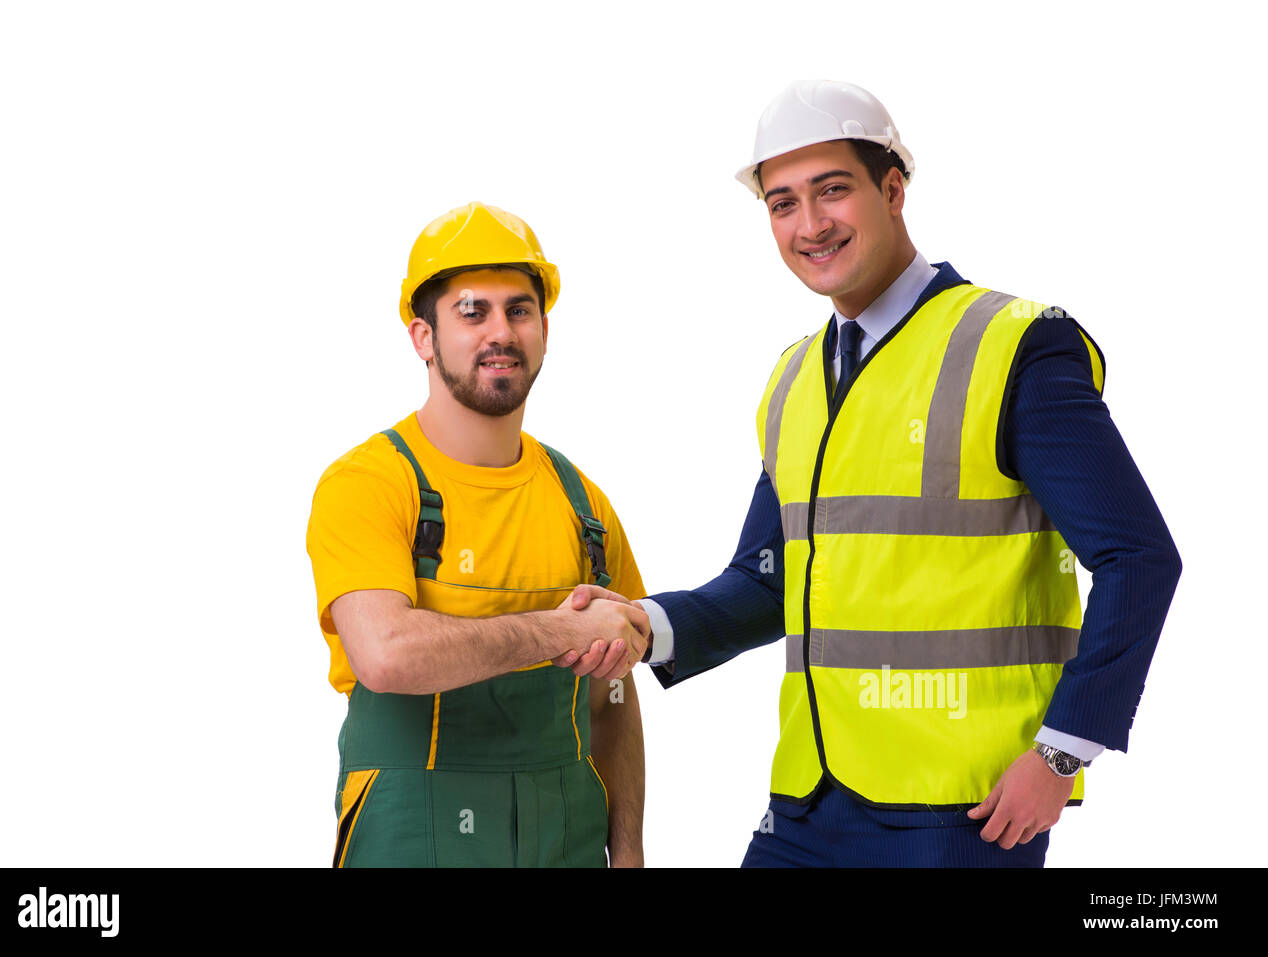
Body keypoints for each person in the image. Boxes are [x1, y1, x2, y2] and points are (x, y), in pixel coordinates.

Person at [564, 80, 1182, 867]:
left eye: (832, 191)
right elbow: (767, 581)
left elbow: (1138, 558)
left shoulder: (1016, 344)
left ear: (893, 190)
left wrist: (1062, 754)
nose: (810, 224)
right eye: (782, 203)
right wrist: (645, 623)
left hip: (962, 812)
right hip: (806, 802)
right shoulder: (794, 379)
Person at [306, 201, 650, 867]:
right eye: (472, 311)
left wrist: (629, 847)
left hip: (569, 836)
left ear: (545, 328)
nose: (501, 330)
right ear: (423, 336)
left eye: (519, 310)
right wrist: (561, 632)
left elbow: (613, 694)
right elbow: (386, 653)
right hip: (414, 831)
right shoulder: (371, 482)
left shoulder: (585, 504)